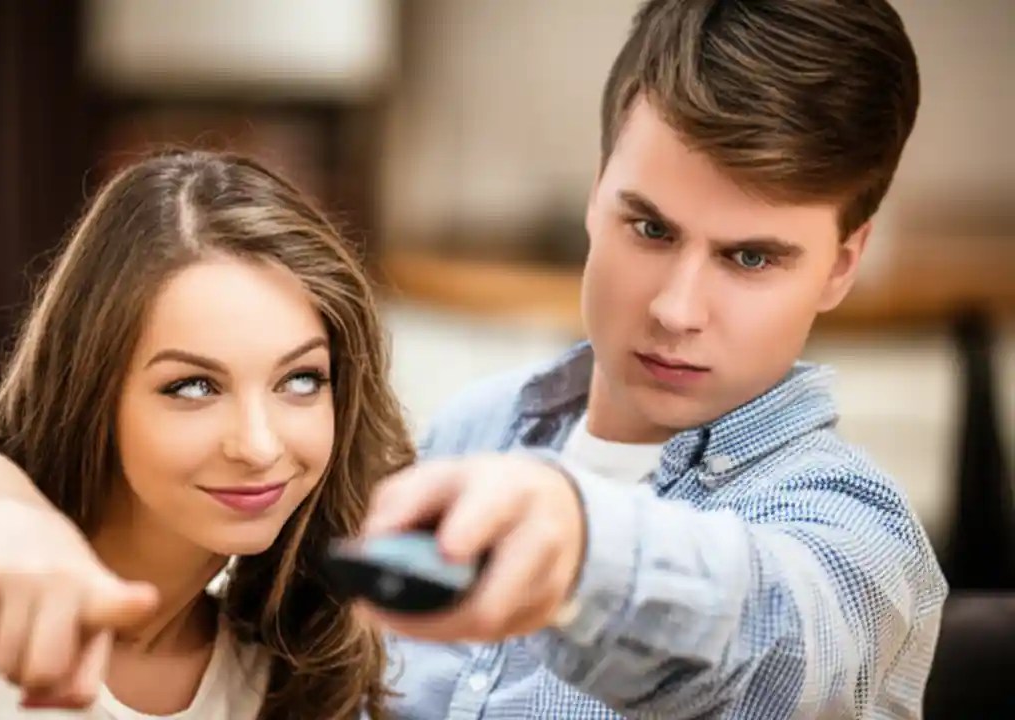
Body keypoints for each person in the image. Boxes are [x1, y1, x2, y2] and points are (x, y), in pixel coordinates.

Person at [359, 1, 948, 718]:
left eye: (751, 257)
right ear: (595, 191)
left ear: (841, 266)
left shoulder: (858, 536)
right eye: (650, 228)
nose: (677, 309)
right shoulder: (473, 431)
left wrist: (579, 553)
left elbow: (775, 648)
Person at [0, 150, 414, 720]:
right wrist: (7, 528)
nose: (258, 444)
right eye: (194, 386)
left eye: (301, 380)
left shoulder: (280, 679)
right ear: (94, 390)